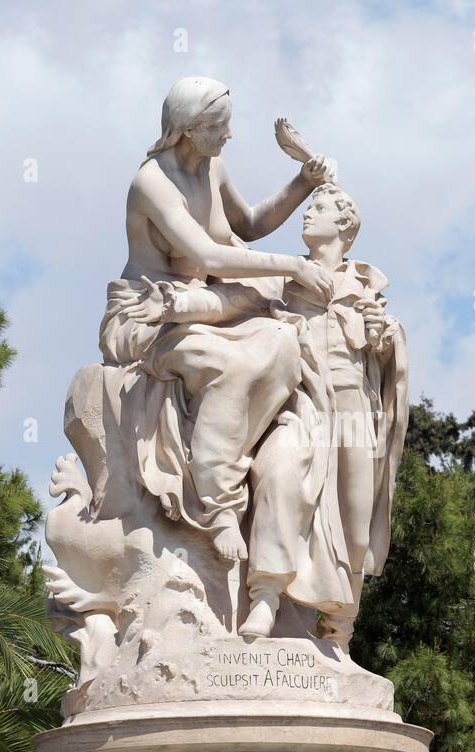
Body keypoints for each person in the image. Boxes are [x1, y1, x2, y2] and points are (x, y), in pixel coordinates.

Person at [113, 184, 407, 650]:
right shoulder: (282, 281)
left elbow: (387, 350)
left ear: (345, 226)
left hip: (353, 411)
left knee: (356, 523)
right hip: (304, 404)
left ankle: (339, 630)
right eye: (309, 207)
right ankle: (266, 594)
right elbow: (225, 302)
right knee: (279, 469)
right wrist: (173, 304)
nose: (308, 215)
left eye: (321, 208)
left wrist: (384, 338)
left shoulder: (365, 287)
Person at [100, 76, 336, 562]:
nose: (228, 137)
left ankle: (233, 461)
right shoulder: (152, 182)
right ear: (188, 128)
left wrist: (302, 183)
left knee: (281, 344)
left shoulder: (213, 167)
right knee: (228, 364)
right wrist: (293, 265)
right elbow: (211, 254)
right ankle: (219, 502)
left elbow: (247, 226)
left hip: (209, 304)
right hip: (150, 315)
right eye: (219, 128)